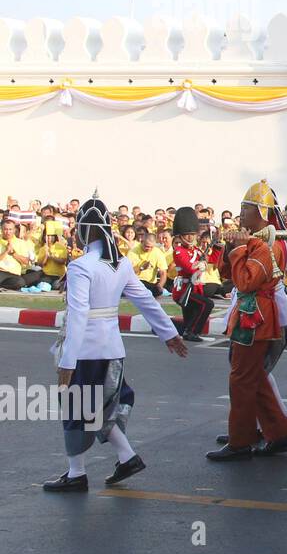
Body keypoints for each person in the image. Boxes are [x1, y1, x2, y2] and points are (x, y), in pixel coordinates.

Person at [42, 195, 187, 492]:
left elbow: (80, 314)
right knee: (102, 407)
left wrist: (67, 363)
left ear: (86, 229)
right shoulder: (119, 264)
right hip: (112, 350)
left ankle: (76, 473)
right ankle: (127, 456)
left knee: (77, 408)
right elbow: (145, 299)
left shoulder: (82, 266)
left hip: (85, 351)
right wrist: (168, 333)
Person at [207, 180, 287, 462]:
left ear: (260, 212)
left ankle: (241, 440)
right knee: (252, 377)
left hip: (256, 319)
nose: (240, 215)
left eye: (245, 210)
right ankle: (275, 432)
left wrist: (239, 249)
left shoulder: (267, 246)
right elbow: (227, 274)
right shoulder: (254, 242)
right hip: (251, 315)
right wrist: (230, 247)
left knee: (242, 380)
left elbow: (245, 282)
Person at [170, 208, 213, 342]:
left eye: (192, 234)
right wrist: (200, 265)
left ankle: (169, 326)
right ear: (180, 236)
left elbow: (211, 262)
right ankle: (192, 332)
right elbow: (189, 268)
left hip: (195, 287)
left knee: (189, 319)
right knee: (207, 304)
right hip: (184, 290)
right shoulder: (179, 251)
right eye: (187, 234)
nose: (190, 237)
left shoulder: (196, 250)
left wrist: (216, 249)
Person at [0, 216, 41, 290]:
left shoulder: (20, 243)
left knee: (20, 283)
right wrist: (6, 251)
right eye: (5, 229)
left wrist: (13, 253)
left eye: (10, 229)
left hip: (14, 274)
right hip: (1, 271)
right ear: (2, 229)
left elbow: (25, 262)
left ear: (14, 230)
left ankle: (2, 286)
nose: (8, 232)